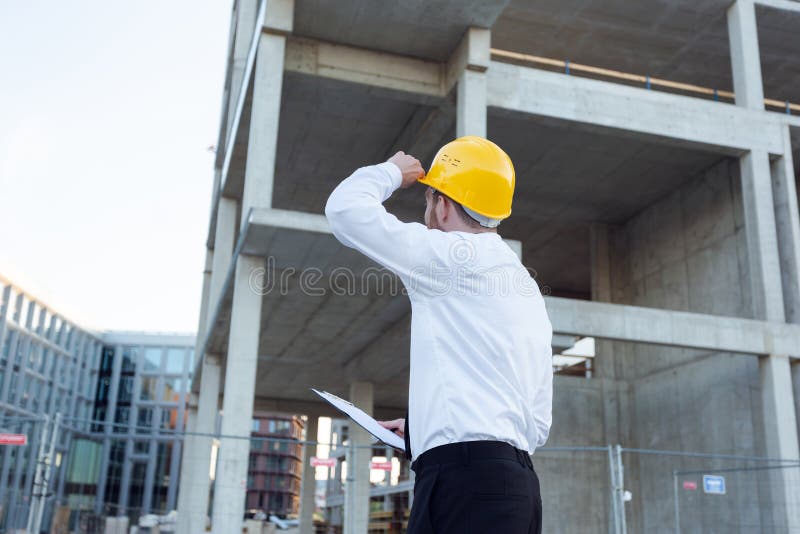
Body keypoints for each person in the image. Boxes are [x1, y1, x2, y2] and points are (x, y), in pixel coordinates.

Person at [325, 136, 553, 533]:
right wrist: (424, 428)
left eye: (429, 201)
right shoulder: (523, 284)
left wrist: (393, 171)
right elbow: (536, 420)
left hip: (463, 484)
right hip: (518, 488)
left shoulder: (448, 258)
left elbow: (345, 209)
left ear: (443, 204)